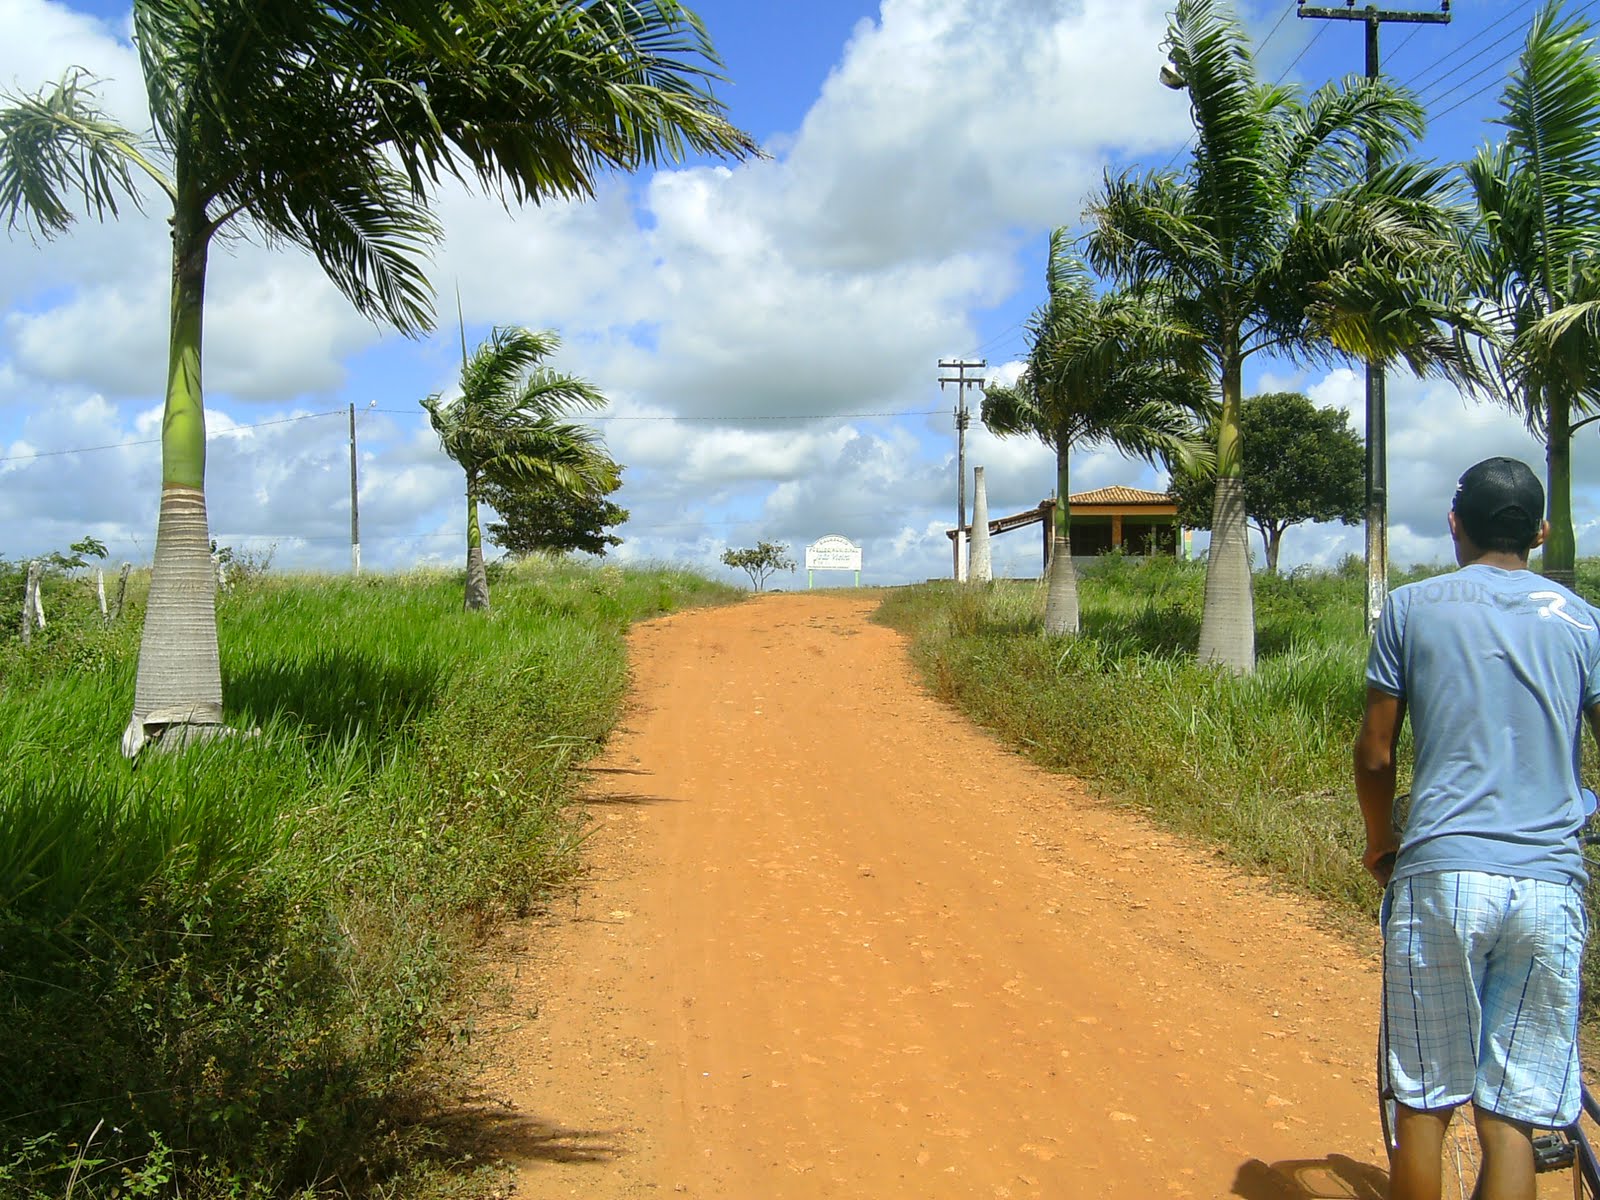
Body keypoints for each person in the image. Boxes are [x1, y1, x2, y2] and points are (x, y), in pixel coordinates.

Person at [1354, 456, 1600, 1200]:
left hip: (1442, 875)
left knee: (1425, 1101)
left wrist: (1380, 842)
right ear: (1542, 531)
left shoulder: (1410, 608)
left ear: (1454, 524)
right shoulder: (1583, 620)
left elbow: (1375, 753)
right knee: (1514, 1114)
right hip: (1550, 882)